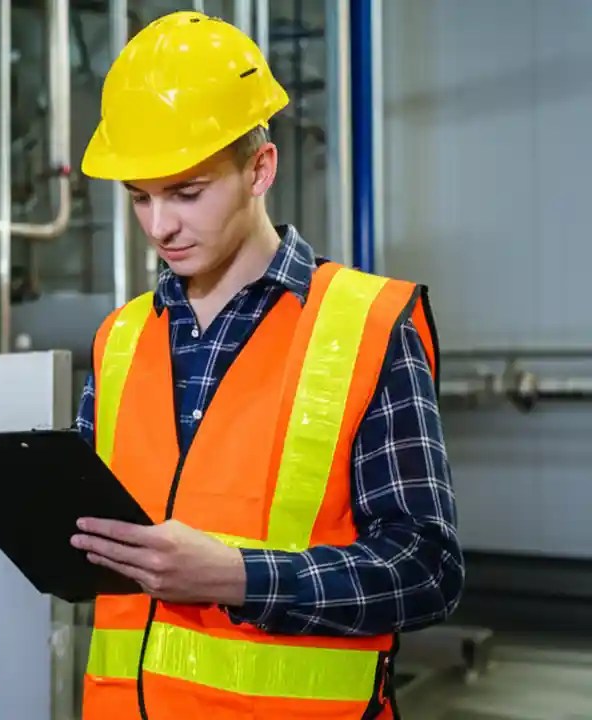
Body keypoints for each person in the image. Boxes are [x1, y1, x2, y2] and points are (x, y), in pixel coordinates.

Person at [67, 10, 464, 720]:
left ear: (261, 168)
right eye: (139, 198)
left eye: (186, 193)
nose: (161, 227)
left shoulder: (368, 325)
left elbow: (426, 570)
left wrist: (240, 576)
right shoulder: (120, 338)